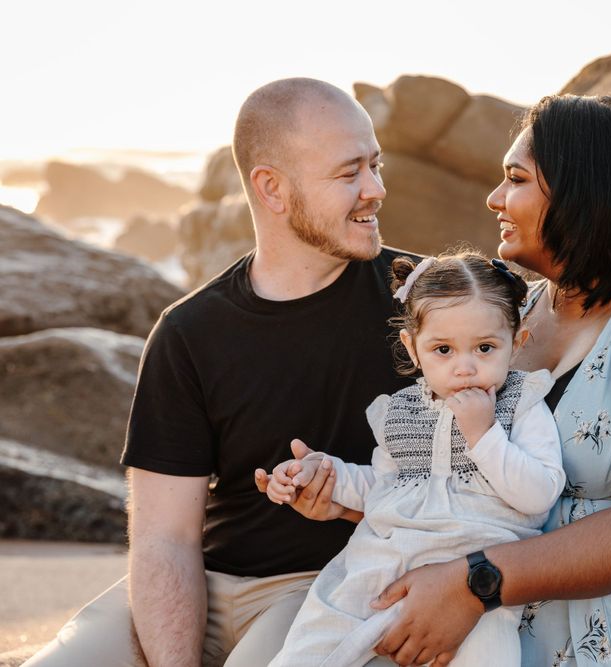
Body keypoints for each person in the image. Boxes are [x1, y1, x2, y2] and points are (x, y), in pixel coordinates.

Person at [348, 95, 611, 666]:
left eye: (516, 178)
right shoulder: (513, 320)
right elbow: (455, 462)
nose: (494, 198)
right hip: (516, 639)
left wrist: (472, 584)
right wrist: (343, 492)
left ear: (583, 189)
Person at [24, 78, 416, 667]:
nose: (375, 189)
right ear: (272, 189)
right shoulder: (189, 331)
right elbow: (164, 539)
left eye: (376, 164)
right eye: (350, 172)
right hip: (196, 583)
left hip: (323, 588)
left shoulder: (426, 302)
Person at [264, 251, 565, 667]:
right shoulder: (401, 412)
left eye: (484, 347)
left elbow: (540, 494)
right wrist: (323, 474)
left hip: (476, 580)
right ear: (413, 347)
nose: (465, 367)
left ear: (517, 344)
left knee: (491, 655)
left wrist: (484, 434)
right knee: (309, 647)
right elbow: (384, 486)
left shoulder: (521, 403)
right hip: (382, 560)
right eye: (443, 349)